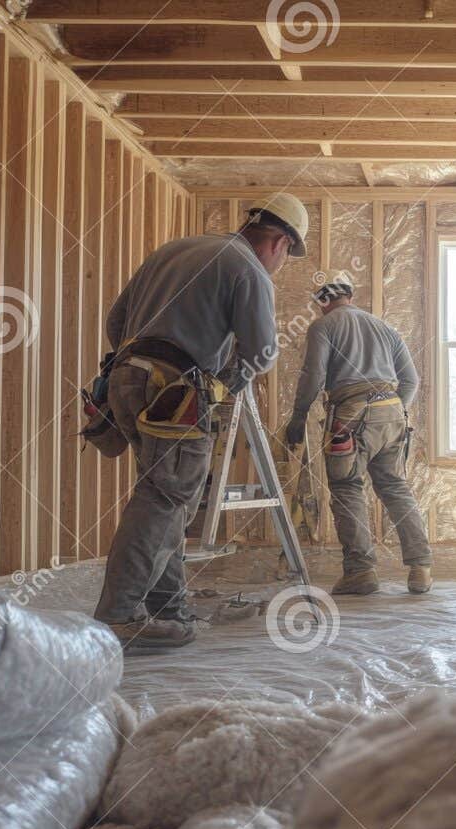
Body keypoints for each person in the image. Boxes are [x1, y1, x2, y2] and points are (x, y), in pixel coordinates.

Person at [94, 193, 309, 654]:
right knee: (166, 499)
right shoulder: (248, 268)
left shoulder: (174, 250)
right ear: (279, 242)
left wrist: (148, 357)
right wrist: (216, 386)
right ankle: (118, 617)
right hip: (174, 393)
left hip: (125, 380)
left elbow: (116, 320)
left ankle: (167, 610)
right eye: (288, 255)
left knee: (164, 495)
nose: (280, 264)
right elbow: (262, 353)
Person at [283, 271, 432, 596]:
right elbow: (411, 381)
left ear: (323, 301)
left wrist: (298, 416)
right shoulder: (386, 328)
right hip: (392, 413)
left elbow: (314, 376)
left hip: (350, 415)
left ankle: (360, 572)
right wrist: (395, 410)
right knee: (394, 486)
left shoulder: (323, 326)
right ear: (350, 296)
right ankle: (420, 569)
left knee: (347, 488)